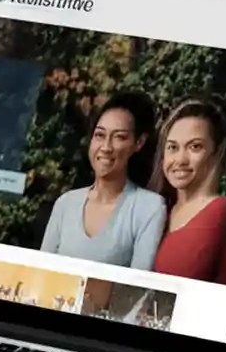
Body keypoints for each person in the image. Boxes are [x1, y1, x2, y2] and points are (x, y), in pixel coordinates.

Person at [41, 91, 167, 270]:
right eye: (100, 135)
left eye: (119, 137)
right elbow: (41, 273)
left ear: (138, 143)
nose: (106, 147)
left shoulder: (149, 207)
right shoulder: (66, 203)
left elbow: (137, 287)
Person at [148, 98, 226, 286]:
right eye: (173, 147)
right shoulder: (158, 208)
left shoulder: (223, 211)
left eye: (195, 147)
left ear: (216, 153)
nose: (180, 159)